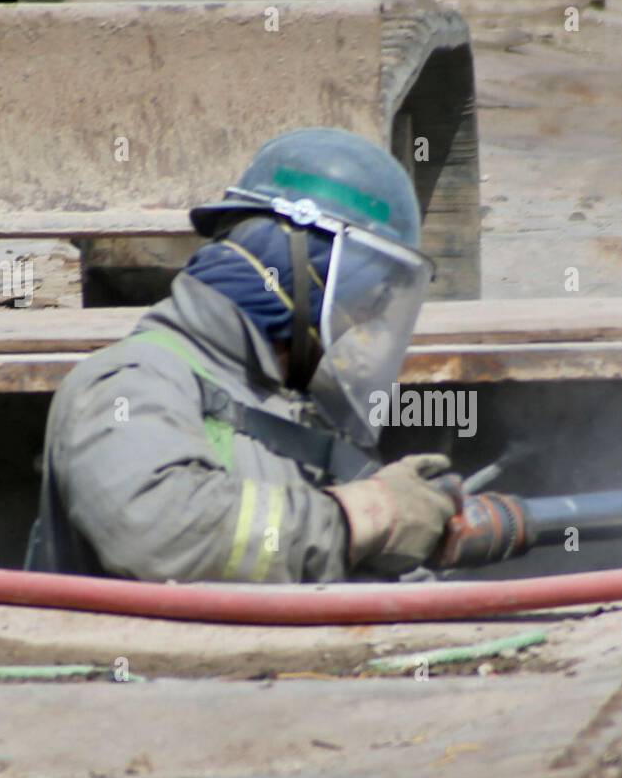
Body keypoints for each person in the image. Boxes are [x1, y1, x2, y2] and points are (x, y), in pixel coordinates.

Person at [26, 128, 460, 583]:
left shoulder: (290, 404)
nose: (362, 323)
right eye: (357, 302)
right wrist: (360, 518)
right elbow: (156, 529)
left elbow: (305, 564)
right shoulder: (129, 381)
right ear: (302, 273)